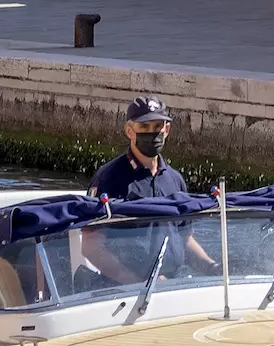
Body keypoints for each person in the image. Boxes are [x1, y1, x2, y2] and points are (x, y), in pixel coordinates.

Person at [84, 97, 219, 285]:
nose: (152, 133)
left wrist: (213, 267)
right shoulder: (109, 178)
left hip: (172, 286)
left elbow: (184, 238)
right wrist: (136, 282)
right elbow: (91, 246)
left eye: (157, 126)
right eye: (144, 127)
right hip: (123, 291)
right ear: (129, 131)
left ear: (167, 130)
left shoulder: (175, 180)